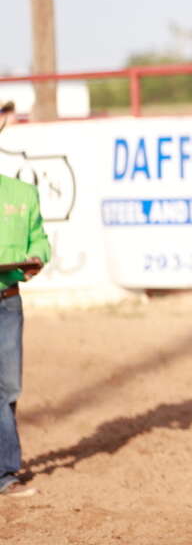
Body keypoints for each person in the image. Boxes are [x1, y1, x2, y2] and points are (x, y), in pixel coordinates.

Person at [0, 174, 50, 498]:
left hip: (8, 301)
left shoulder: (23, 193)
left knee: (9, 387)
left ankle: (4, 472)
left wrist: (36, 257)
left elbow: (39, 239)